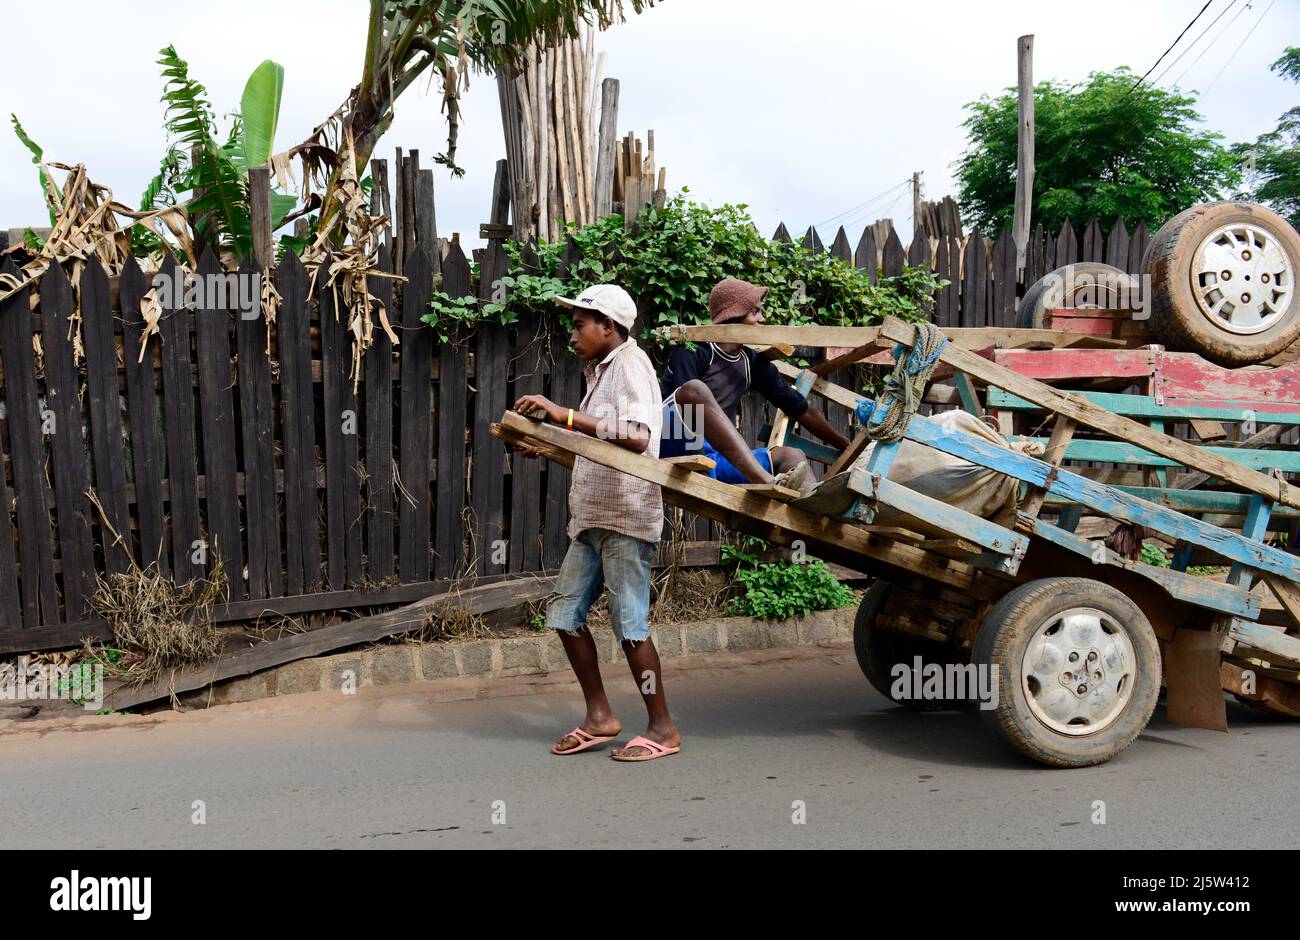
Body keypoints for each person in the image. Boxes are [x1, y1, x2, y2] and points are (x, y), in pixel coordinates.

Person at [512, 283, 682, 763]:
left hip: (626, 516)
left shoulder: (631, 365)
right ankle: (600, 717)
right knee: (565, 617)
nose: (572, 333)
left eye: (579, 323)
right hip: (590, 518)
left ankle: (663, 728)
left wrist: (563, 415)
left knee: (630, 627)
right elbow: (598, 445)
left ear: (608, 326)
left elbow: (636, 436)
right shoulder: (600, 373)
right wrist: (548, 443)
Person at [659, 277, 850, 493]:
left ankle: (813, 508)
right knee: (694, 390)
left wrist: (847, 447)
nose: (762, 318)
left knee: (793, 457)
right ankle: (768, 481)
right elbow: (683, 403)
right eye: (755, 312)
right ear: (733, 315)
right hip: (673, 443)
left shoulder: (750, 361)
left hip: (715, 460)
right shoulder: (693, 351)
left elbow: (797, 406)